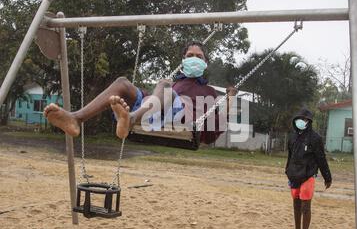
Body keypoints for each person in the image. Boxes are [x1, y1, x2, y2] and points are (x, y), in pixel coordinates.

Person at [43, 41, 237, 143]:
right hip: (155, 112)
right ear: (183, 61)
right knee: (122, 84)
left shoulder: (209, 92)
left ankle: (130, 118)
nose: (194, 58)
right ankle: (76, 118)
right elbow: (158, 97)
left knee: (163, 86)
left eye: (198, 56)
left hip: (182, 122)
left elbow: (213, 132)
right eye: (189, 56)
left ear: (205, 63)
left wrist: (230, 100)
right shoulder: (176, 84)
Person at [285, 108, 332, 229]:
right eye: (300, 119)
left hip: (308, 175)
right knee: (296, 205)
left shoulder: (315, 138)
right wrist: (287, 170)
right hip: (294, 175)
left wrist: (327, 176)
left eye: (305, 120)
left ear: (309, 122)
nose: (302, 122)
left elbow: (321, 158)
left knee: (306, 207)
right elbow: (290, 156)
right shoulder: (292, 137)